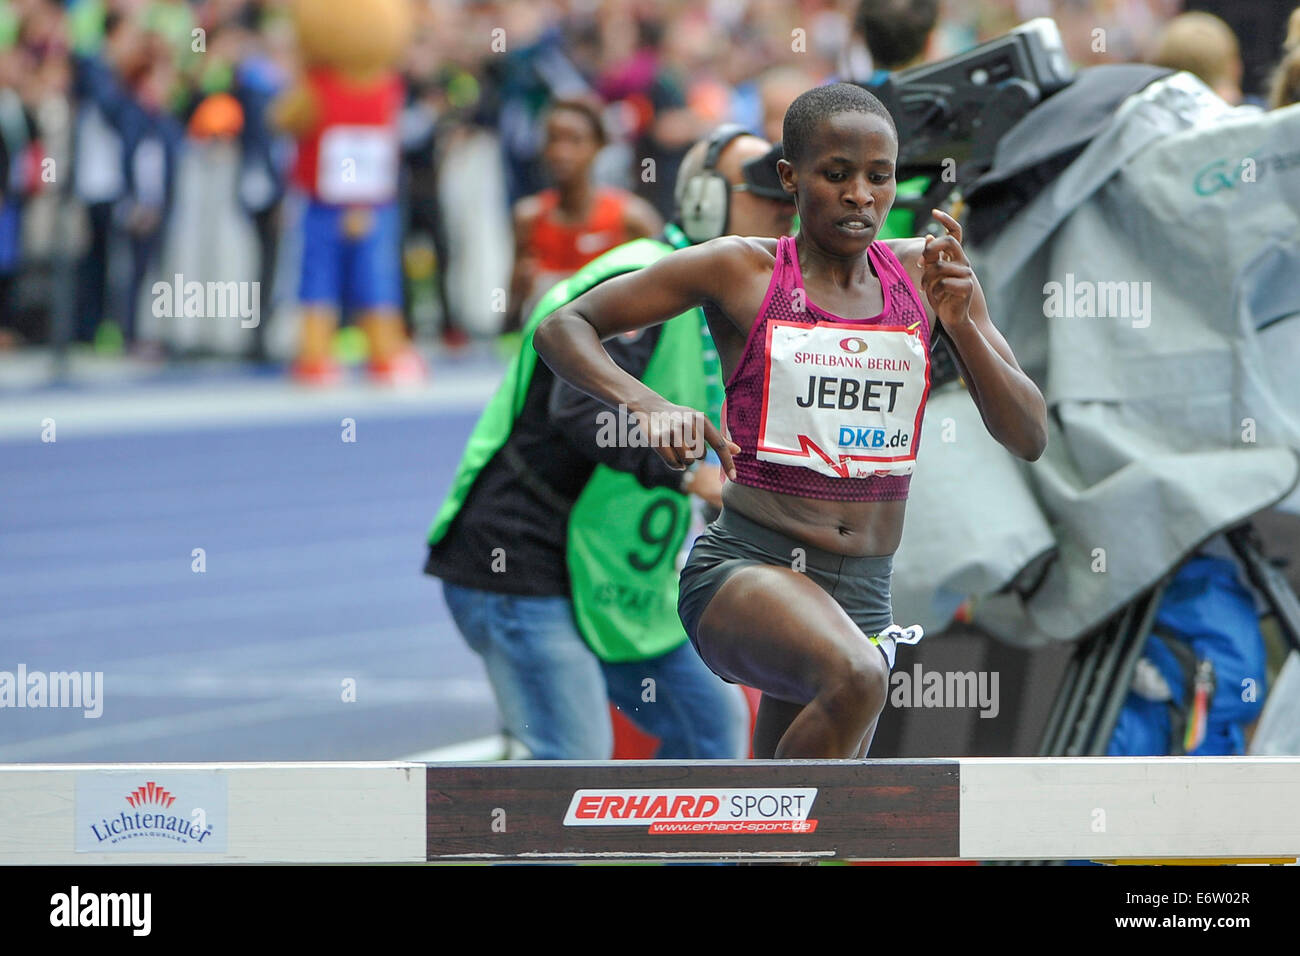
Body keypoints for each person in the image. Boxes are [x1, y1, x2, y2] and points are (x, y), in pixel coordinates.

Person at [534, 83, 1047, 760]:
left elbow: (1028, 435)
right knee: (856, 679)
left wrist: (963, 327)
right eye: (836, 175)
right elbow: (563, 326)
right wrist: (646, 405)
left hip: (862, 594)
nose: (860, 194)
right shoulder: (741, 270)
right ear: (791, 177)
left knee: (800, 837)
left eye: (879, 176)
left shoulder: (928, 274)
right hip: (747, 570)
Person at [425, 125, 794, 760]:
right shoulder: (643, 279)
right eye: (766, 195)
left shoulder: (723, 299)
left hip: (610, 573)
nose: (786, 215)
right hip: (520, 561)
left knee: (710, 727)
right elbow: (580, 411)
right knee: (569, 770)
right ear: (705, 202)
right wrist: (688, 477)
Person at [502, 97, 661, 334]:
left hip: (614, 361)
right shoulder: (528, 218)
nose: (561, 152)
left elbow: (665, 301)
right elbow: (510, 316)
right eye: (553, 139)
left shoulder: (632, 217)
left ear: (598, 146)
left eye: (575, 141)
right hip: (545, 358)